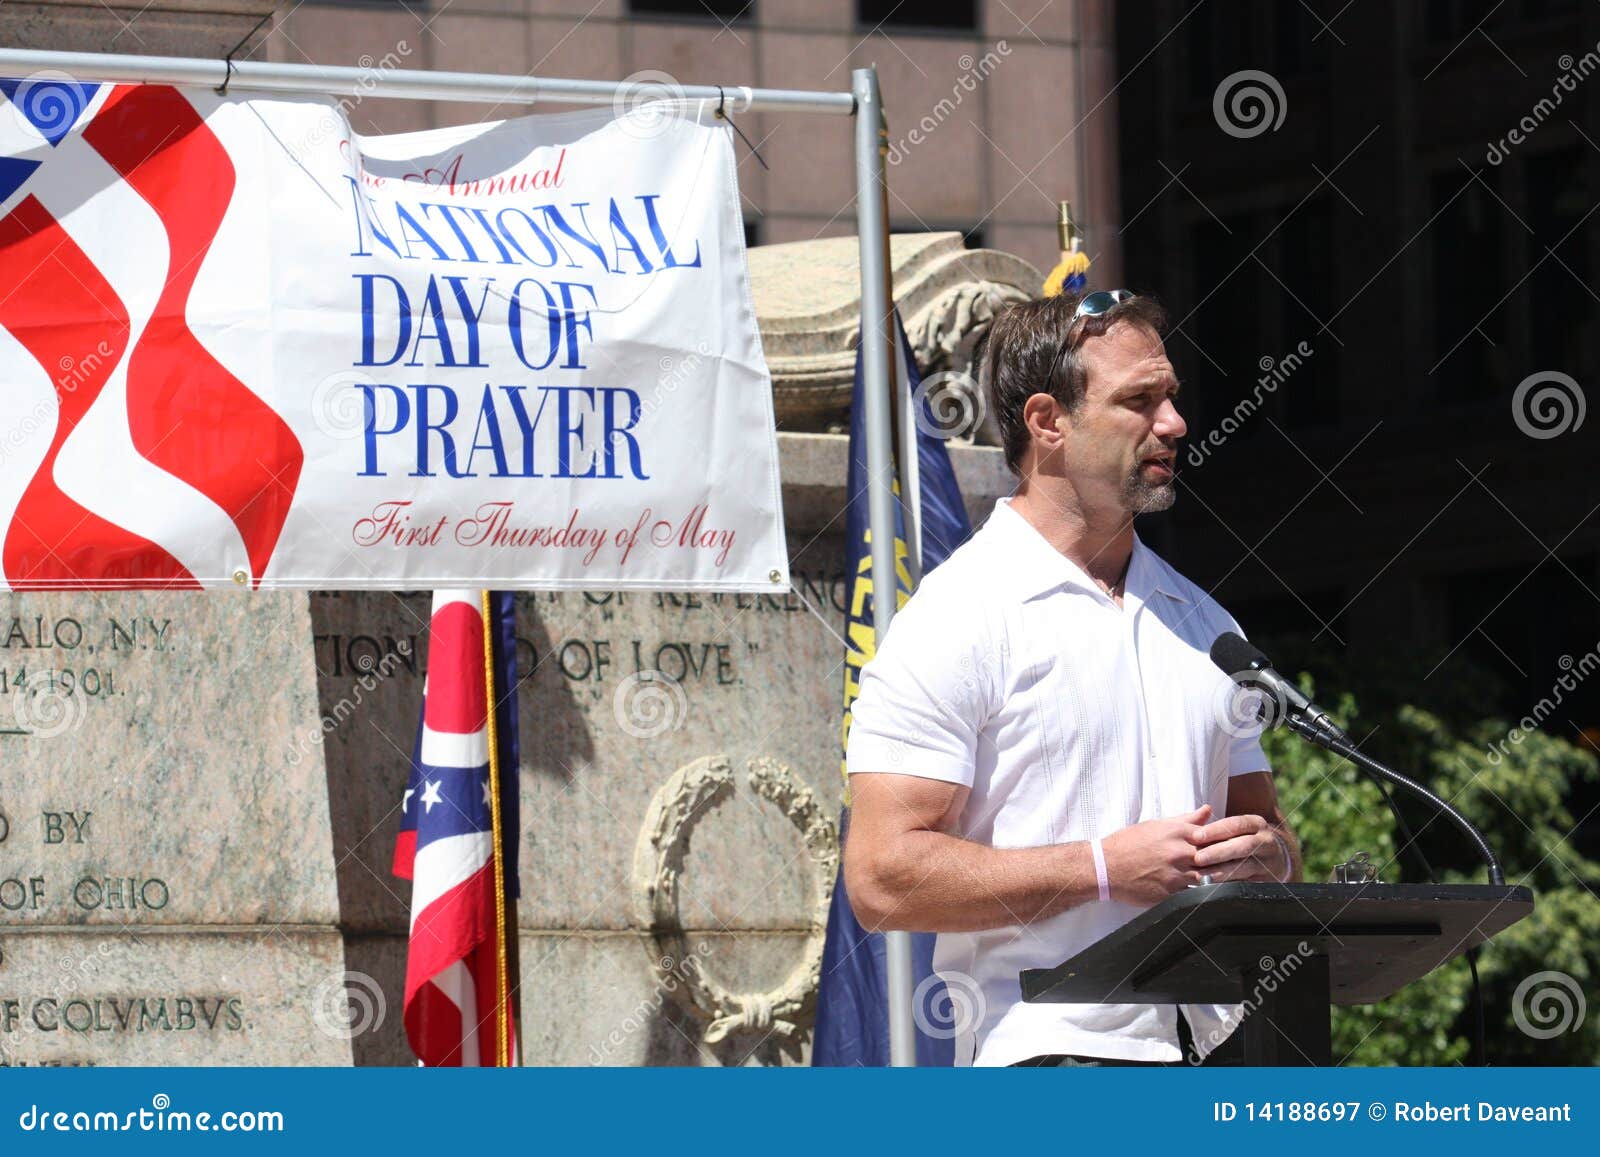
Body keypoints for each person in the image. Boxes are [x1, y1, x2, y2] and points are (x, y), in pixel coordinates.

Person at [842, 289, 1302, 1067]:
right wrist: (1101, 869)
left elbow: (1271, 833)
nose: (1174, 424)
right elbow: (882, 878)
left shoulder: (1207, 623)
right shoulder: (957, 615)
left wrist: (1270, 858)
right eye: (1139, 401)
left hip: (1227, 1051)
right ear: (1048, 421)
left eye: (1171, 397)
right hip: (1050, 1057)